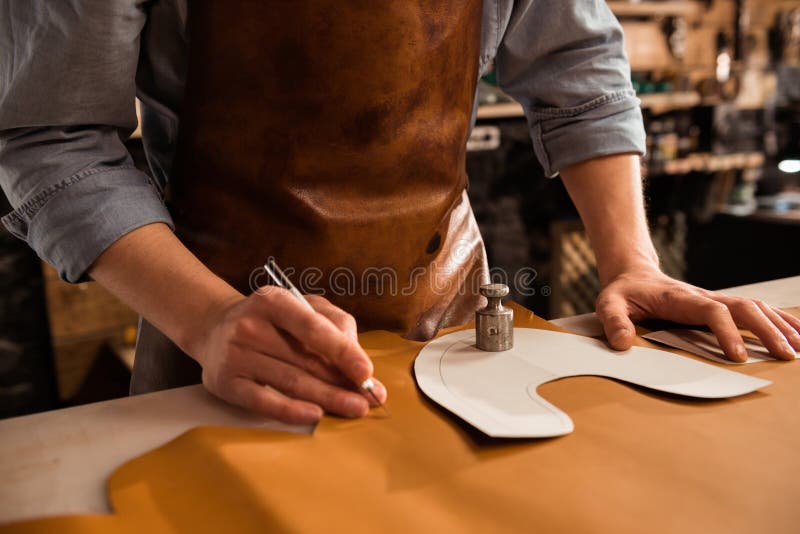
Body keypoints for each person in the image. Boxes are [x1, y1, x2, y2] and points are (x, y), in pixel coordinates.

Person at [1, 0, 798, 425]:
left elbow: (578, 62)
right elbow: (48, 136)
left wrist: (632, 263)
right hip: (223, 343)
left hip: (453, 320)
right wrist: (210, 321)